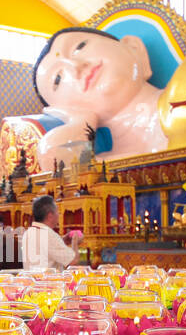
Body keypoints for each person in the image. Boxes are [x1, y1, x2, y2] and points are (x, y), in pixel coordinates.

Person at [31, 27, 168, 168]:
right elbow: (58, 165)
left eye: (80, 47)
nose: (75, 66)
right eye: (57, 79)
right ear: (60, 109)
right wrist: (79, 123)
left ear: (133, 47)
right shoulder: (103, 168)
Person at [23, 195, 80, 271]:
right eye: (57, 212)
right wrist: (75, 242)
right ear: (50, 216)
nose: (58, 215)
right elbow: (73, 262)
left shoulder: (27, 233)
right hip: (48, 281)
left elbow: (46, 249)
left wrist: (62, 241)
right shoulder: (49, 235)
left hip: (31, 281)